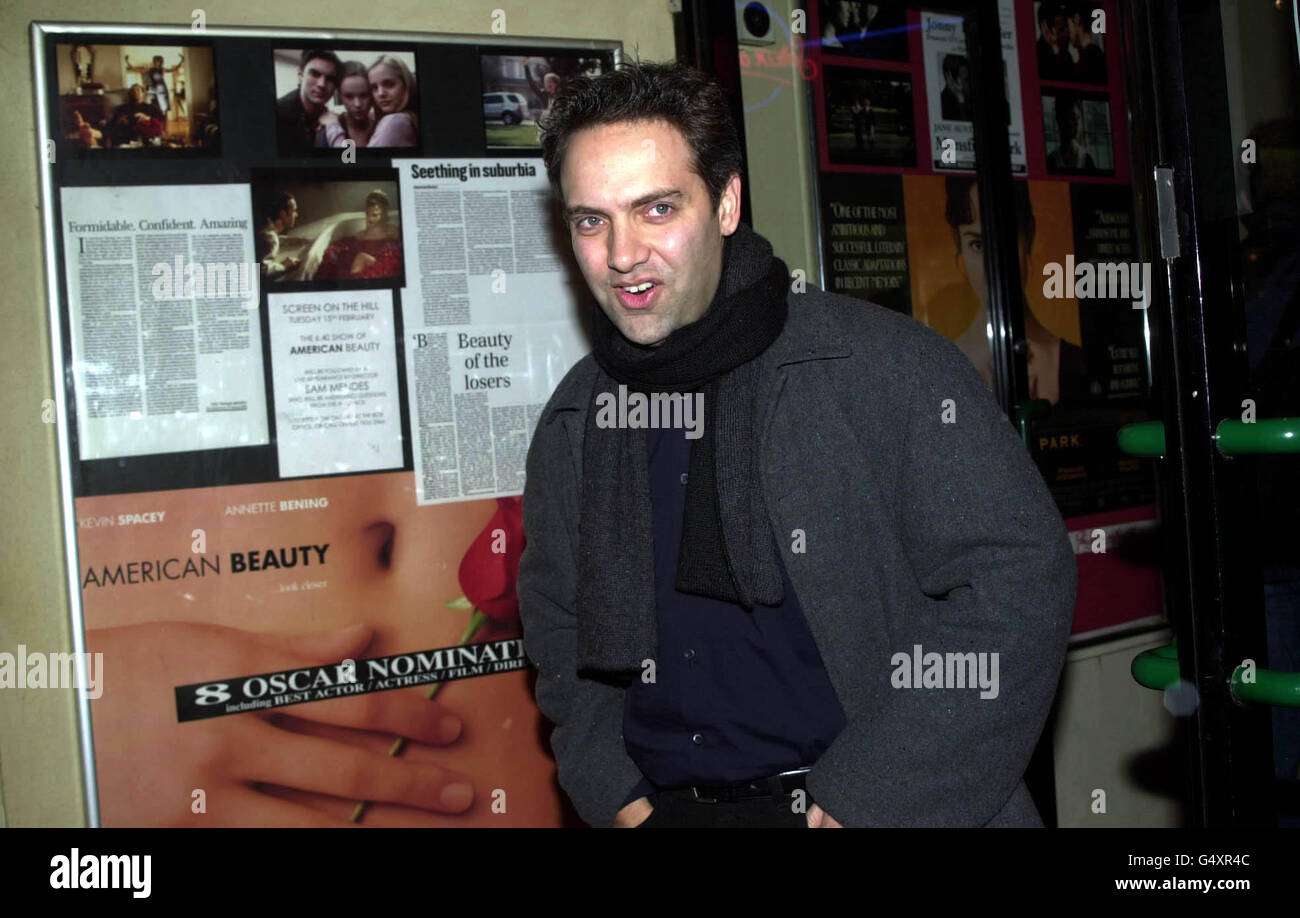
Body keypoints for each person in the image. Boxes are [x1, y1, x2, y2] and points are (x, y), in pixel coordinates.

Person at [520, 61, 1077, 828]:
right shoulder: (577, 418)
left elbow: (1019, 580)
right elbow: (558, 625)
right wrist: (615, 795)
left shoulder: (879, 367)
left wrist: (872, 795)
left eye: (655, 210)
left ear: (725, 203)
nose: (621, 254)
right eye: (592, 220)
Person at [943, 176, 1088, 407]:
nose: (995, 265)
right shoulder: (942, 366)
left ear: (1028, 236)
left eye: (1006, 240)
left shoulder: (1077, 363)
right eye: (977, 245)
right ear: (960, 250)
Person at [314, 189, 404, 280]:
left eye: (375, 215)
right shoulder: (361, 235)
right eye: (368, 214)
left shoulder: (392, 231)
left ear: (383, 215)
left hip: (383, 266)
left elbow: (399, 252)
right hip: (365, 266)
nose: (370, 218)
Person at [277, 49, 342, 155]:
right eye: (315, 74)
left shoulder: (332, 118)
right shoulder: (278, 114)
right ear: (300, 75)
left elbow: (350, 160)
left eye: (330, 79)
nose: (322, 84)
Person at [319, 61, 376, 149]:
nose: (357, 104)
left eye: (363, 95)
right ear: (340, 97)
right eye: (349, 96)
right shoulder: (328, 131)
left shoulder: (382, 126)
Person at [366, 55, 419, 148]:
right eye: (374, 88)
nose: (381, 93)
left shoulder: (394, 121)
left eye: (389, 84)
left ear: (406, 84)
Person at [1045, 93, 1096, 172]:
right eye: (1072, 117)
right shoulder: (1051, 161)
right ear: (1060, 120)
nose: (1076, 123)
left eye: (1077, 118)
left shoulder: (1086, 159)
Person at [126, 53, 184, 121]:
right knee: (156, 108)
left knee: (164, 110)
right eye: (154, 60)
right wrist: (127, 62)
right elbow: (137, 70)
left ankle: (165, 129)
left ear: (160, 62)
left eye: (156, 61)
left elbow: (174, 69)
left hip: (163, 90)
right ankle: (157, 125)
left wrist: (181, 61)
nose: (154, 62)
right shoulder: (150, 69)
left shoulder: (162, 69)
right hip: (155, 90)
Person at [257, 190, 301, 280]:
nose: (296, 215)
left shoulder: (267, 233)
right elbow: (259, 271)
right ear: (283, 214)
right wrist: (284, 265)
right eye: (294, 211)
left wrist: (287, 240)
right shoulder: (270, 238)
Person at [1063, 1, 1106, 85]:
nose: (1067, 31)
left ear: (1077, 19)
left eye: (1068, 25)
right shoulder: (1094, 53)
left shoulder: (1089, 56)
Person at [939, 53, 971, 121]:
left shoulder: (970, 98)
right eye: (961, 74)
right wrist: (961, 101)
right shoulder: (943, 103)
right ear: (949, 77)